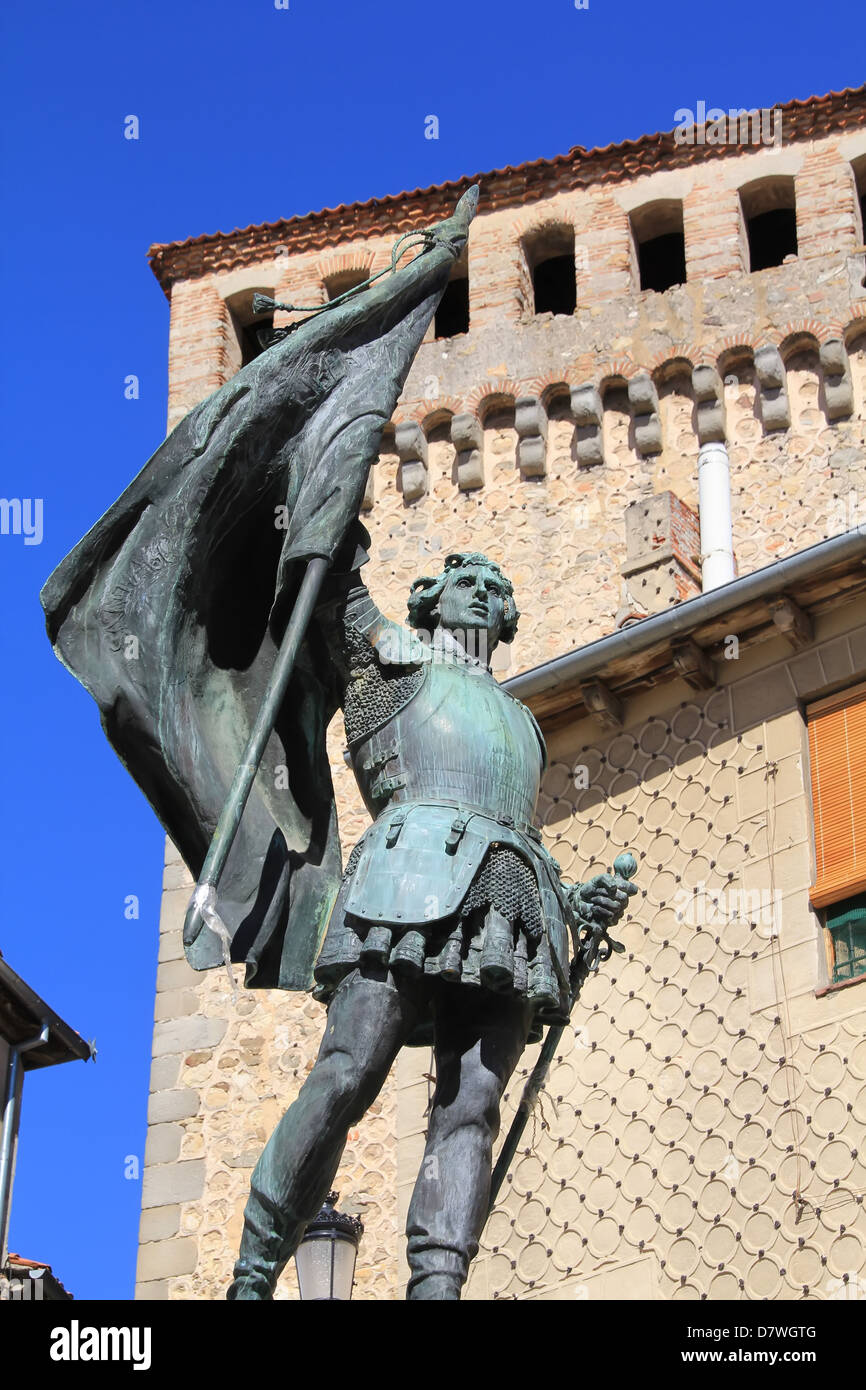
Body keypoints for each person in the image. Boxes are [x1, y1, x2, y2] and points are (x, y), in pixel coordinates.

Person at [227, 545, 637, 1300]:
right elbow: (329, 563)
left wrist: (577, 903)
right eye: (466, 583)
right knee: (349, 1071)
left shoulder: (522, 720)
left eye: (496, 587)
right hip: (400, 884)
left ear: (508, 616)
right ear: (430, 600)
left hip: (512, 901)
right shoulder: (388, 663)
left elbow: (518, 824)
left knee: (473, 1105)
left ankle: (437, 1289)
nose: (482, 594)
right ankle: (254, 1270)